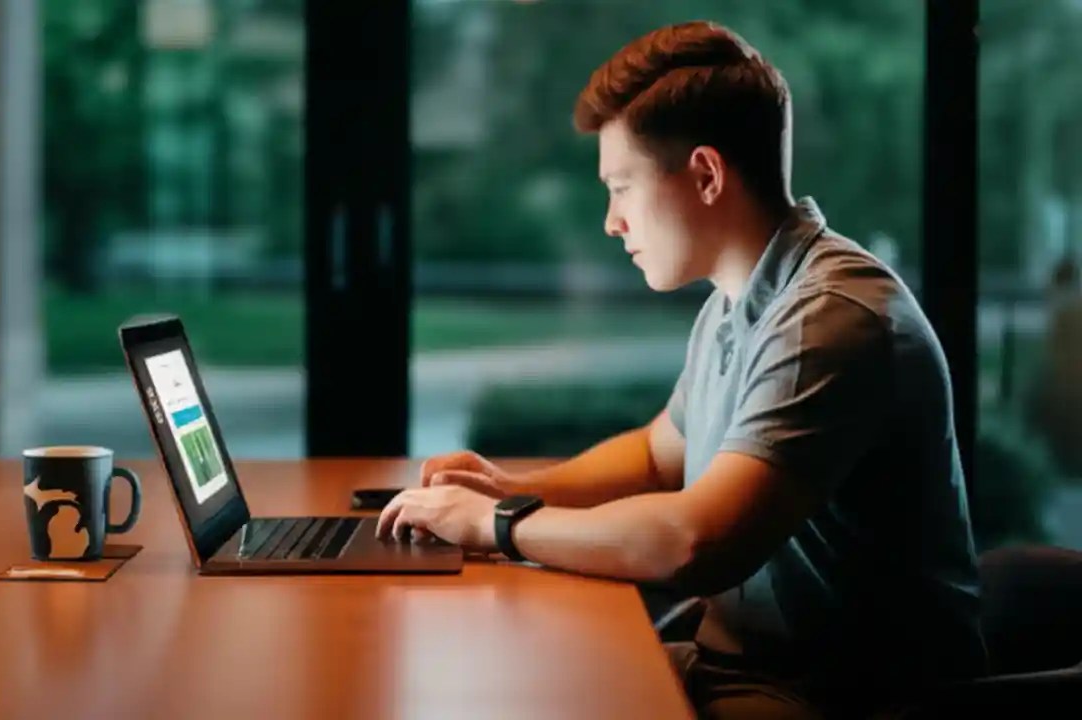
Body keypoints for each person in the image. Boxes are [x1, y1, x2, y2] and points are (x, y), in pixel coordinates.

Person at [375, 19, 988, 718]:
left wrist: (497, 525)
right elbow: (658, 455)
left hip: (834, 694)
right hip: (742, 660)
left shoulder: (831, 319)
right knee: (501, 676)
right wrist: (512, 489)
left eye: (622, 187)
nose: (612, 221)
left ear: (705, 175)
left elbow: (696, 542)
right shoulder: (739, 300)